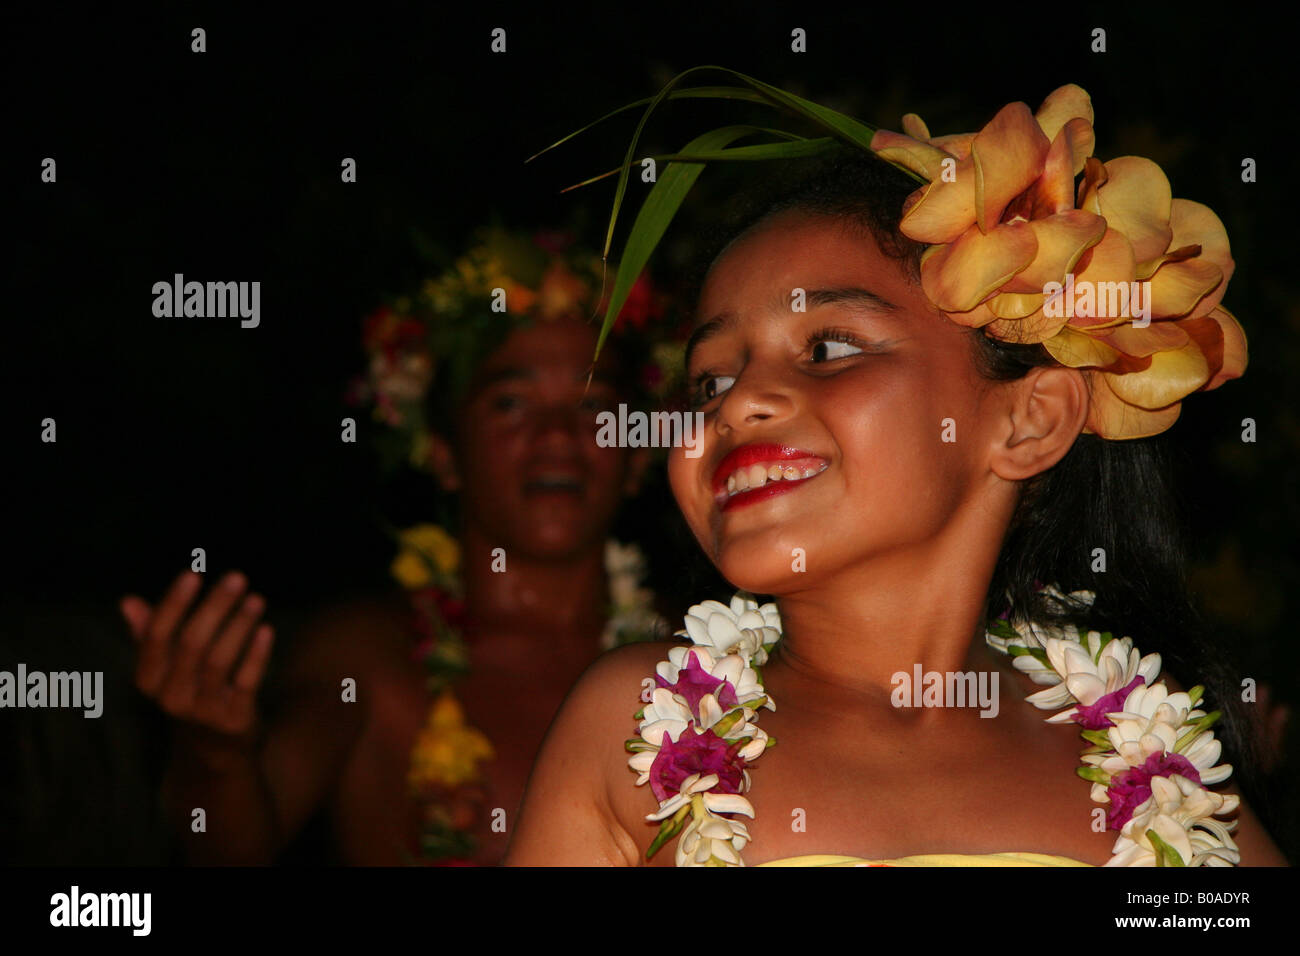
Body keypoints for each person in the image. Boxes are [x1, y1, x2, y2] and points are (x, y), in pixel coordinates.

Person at [505, 79, 1289, 866]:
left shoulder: (1161, 778)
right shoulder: (638, 725)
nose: (738, 404)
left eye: (830, 349)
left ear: (1032, 418)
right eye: (709, 382)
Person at [120, 226, 676, 865]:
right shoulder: (367, 658)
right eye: (511, 402)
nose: (555, 434)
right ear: (443, 453)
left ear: (638, 454)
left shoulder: (702, 652)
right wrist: (215, 755)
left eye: (593, 405)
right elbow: (235, 846)